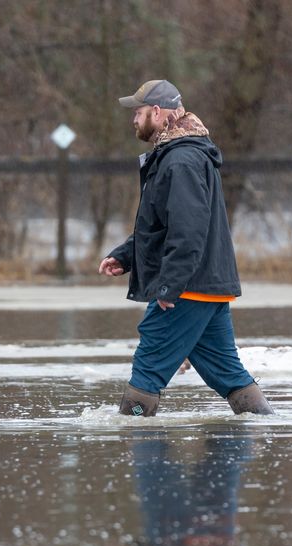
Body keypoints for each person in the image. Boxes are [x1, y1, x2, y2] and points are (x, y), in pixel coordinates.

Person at [99, 79, 272, 417]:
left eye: (138, 111)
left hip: (188, 287)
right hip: (206, 285)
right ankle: (264, 430)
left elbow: (188, 232)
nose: (134, 119)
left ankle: (135, 438)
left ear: (158, 112)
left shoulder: (181, 161)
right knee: (226, 371)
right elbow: (162, 226)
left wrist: (170, 285)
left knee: (149, 365)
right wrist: (126, 255)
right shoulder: (178, 156)